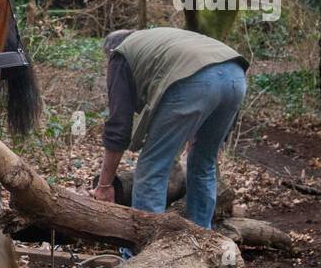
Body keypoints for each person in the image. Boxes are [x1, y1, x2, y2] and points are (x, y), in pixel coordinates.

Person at [90, 27, 248, 229]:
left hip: (195, 80)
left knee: (152, 168)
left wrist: (104, 185)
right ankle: (203, 238)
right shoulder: (159, 44)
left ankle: (148, 248)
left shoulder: (121, 55)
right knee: (203, 163)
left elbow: (118, 126)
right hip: (235, 76)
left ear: (110, 52)